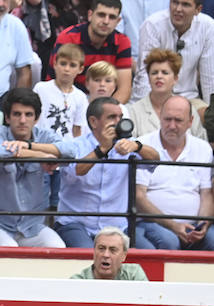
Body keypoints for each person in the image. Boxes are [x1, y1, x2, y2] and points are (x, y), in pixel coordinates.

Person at [55, 97, 158, 248]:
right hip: (76, 224)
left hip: (116, 227)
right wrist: (102, 149)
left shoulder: (128, 145)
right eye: (111, 117)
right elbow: (78, 171)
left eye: (120, 117)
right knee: (87, 253)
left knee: (148, 253)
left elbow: (155, 160)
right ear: (93, 122)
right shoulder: (75, 145)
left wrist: (138, 146)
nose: (118, 122)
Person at [0, 87, 66, 248]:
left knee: (58, 249)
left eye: (28, 114)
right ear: (7, 117)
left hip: (33, 226)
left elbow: (69, 151)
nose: (22, 120)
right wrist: (40, 155)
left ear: (36, 118)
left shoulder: (45, 136)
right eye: (16, 114)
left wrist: (28, 146)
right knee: (10, 252)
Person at [133, 95, 214, 250]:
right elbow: (139, 196)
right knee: (169, 241)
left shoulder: (203, 148)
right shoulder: (144, 145)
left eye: (178, 120)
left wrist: (202, 224)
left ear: (190, 121)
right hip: (152, 222)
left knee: (212, 239)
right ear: (160, 118)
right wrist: (173, 225)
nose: (171, 125)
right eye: (167, 119)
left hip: (192, 225)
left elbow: (206, 194)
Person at [133, 0, 214, 102]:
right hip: (156, 98)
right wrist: (147, 110)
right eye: (175, 2)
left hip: (189, 98)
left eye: (185, 4)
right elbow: (144, 74)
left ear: (198, 9)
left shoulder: (208, 26)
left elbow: (209, 77)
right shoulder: (152, 25)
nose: (178, 9)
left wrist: (211, 115)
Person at [49, 0, 133, 99]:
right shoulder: (68, 38)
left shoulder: (122, 42)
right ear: (90, 15)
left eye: (112, 17)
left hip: (105, 102)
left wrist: (104, 112)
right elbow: (54, 83)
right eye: (101, 15)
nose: (106, 21)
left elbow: (124, 90)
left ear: (118, 21)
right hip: (69, 99)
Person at [131, 48, 209, 139]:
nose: (159, 76)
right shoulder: (134, 111)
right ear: (148, 78)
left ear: (175, 78)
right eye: (154, 73)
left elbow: (201, 142)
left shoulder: (188, 108)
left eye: (165, 73)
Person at [70, 227, 149, 279]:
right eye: (101, 248)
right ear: (94, 251)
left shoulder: (133, 275)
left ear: (123, 256)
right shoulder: (77, 281)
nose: (106, 255)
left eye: (113, 250)